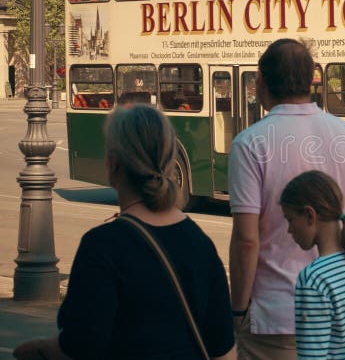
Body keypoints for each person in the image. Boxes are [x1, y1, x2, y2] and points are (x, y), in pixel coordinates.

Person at [13, 105, 236, 360]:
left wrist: (38, 349)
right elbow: (224, 351)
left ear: (113, 164)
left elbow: (79, 346)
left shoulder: (102, 247)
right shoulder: (200, 243)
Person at [228, 38, 345, 360]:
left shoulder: (250, 143)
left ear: (261, 81)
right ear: (311, 79)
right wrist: (344, 234)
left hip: (277, 315)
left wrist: (238, 311)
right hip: (344, 305)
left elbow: (247, 241)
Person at [280, 171, 345, 360]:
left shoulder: (313, 279)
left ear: (310, 215)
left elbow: (312, 355)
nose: (289, 229)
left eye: (290, 220)